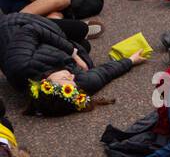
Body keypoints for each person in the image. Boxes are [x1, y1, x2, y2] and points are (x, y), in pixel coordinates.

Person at [0, 13, 145, 111]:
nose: (72, 76)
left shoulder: (20, 66)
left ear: (46, 83)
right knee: (85, 45)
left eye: (65, 78)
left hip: (16, 25)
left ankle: (53, 14)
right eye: (73, 82)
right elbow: (104, 74)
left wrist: (72, 52)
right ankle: (59, 18)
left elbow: (31, 30)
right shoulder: (74, 83)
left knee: (81, 30)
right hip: (50, 42)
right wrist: (131, 60)